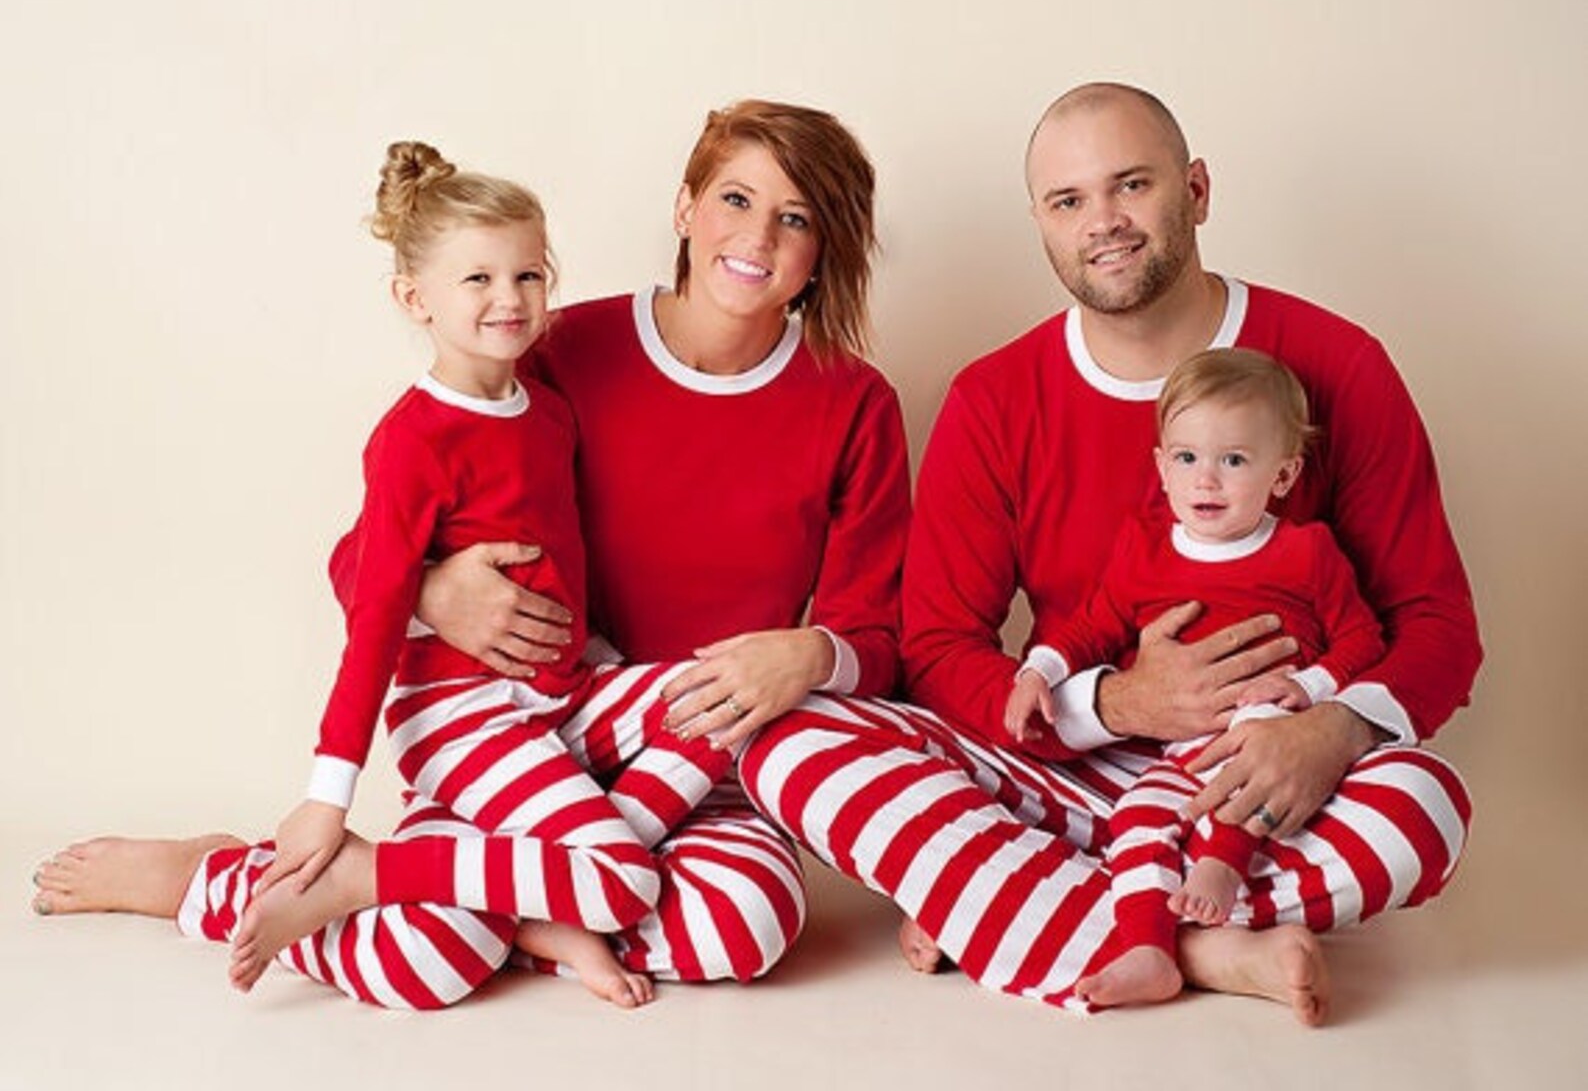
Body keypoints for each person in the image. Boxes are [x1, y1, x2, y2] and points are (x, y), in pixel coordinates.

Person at [32, 101, 912, 1010]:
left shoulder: (854, 405)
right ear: (686, 210)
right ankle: (213, 879)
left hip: (698, 747)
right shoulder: (555, 344)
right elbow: (367, 557)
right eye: (735, 198)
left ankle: (483, 893)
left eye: (796, 217)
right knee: (431, 958)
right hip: (523, 726)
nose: (757, 236)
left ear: (823, 250)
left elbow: (877, 636)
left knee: (746, 921)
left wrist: (811, 652)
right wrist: (434, 594)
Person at [739, 82, 1478, 1025]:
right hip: (1065, 773)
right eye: (1069, 200)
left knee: (1425, 807)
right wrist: (1115, 703)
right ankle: (1202, 947)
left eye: (1132, 185)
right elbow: (935, 648)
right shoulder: (995, 398)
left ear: (1197, 190)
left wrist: (1327, 734)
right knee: (791, 745)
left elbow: (1438, 625)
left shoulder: (1339, 363)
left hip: (1247, 783)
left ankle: (1013, 906)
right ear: (1042, 225)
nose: (1105, 223)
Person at [1005, 347, 1387, 1004]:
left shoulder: (1305, 551)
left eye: (1234, 461)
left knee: (1260, 729)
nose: (1206, 480)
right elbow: (1094, 626)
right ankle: (1152, 949)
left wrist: (1311, 687)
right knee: (1140, 816)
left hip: (1270, 730)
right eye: (1187, 458)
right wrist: (1039, 669)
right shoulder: (1143, 549)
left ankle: (1220, 866)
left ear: (1283, 474)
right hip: (1173, 749)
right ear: (1161, 467)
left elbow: (1364, 637)